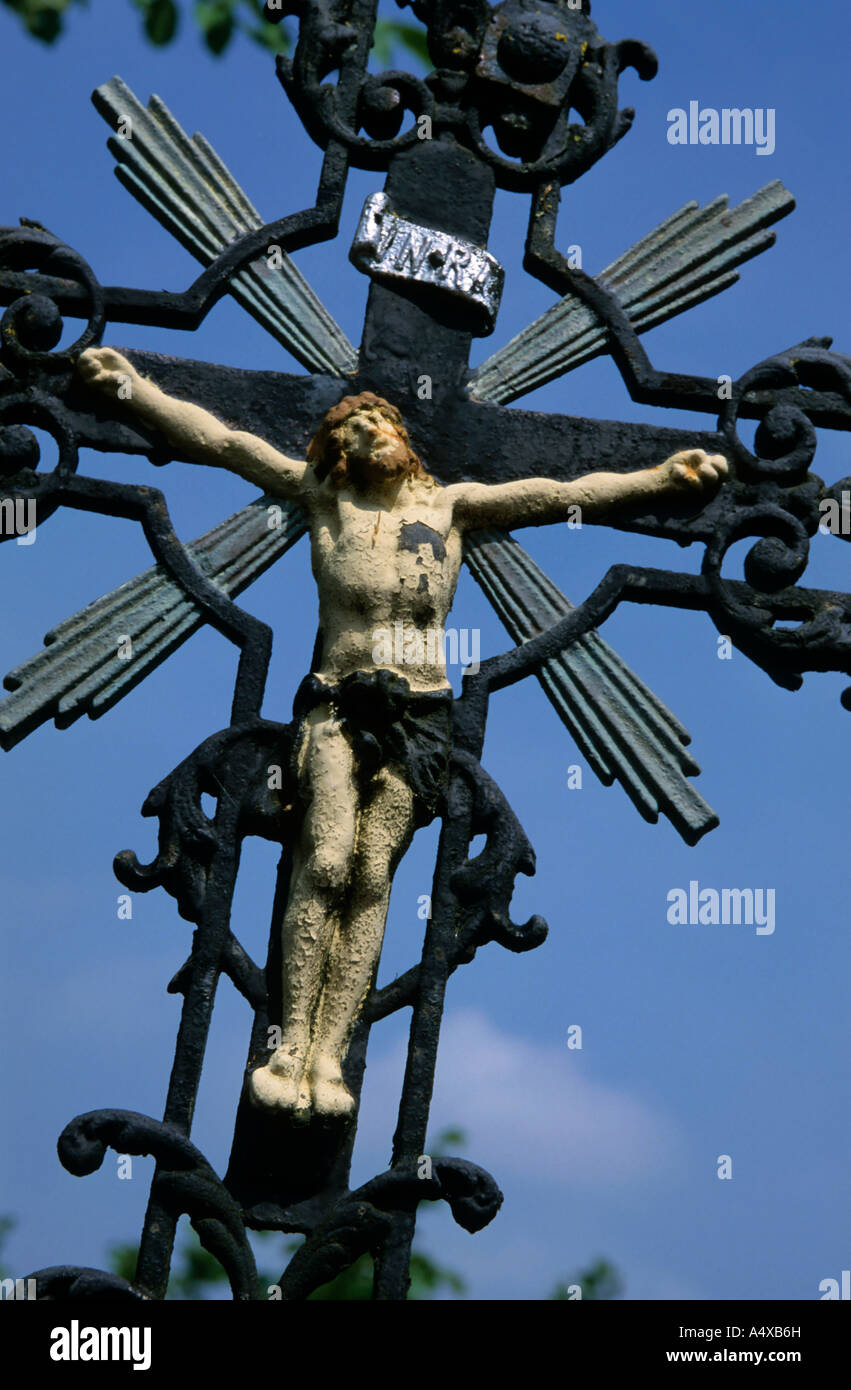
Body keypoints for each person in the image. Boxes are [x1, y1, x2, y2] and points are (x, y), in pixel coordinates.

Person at [79, 347, 728, 1118]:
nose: (367, 434)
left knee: (372, 876)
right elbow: (222, 442)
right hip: (336, 704)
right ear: (335, 451)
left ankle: (329, 1059)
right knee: (324, 862)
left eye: (379, 420)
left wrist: (661, 479)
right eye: (352, 428)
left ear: (404, 437)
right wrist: (130, 388)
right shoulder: (327, 501)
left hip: (419, 717)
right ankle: (289, 1045)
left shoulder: (450, 508)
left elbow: (563, 492)